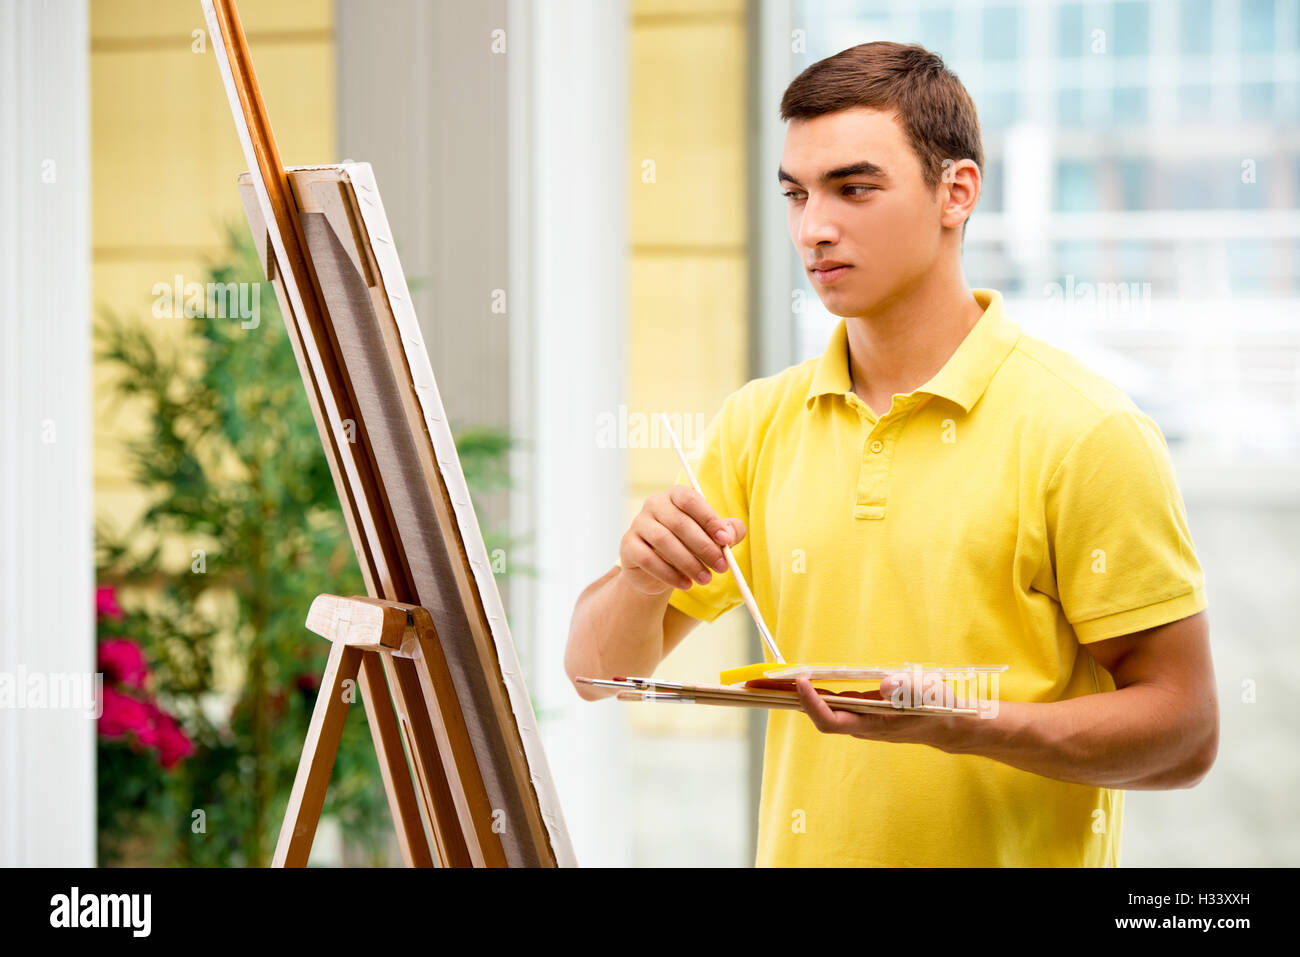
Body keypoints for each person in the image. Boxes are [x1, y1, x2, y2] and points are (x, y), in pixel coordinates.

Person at [564, 41, 1217, 867]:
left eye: (855, 187)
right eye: (796, 194)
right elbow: (595, 673)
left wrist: (967, 725)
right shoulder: (758, 422)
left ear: (957, 191)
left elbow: (1185, 733)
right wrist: (640, 579)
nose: (814, 227)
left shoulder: (1086, 431)